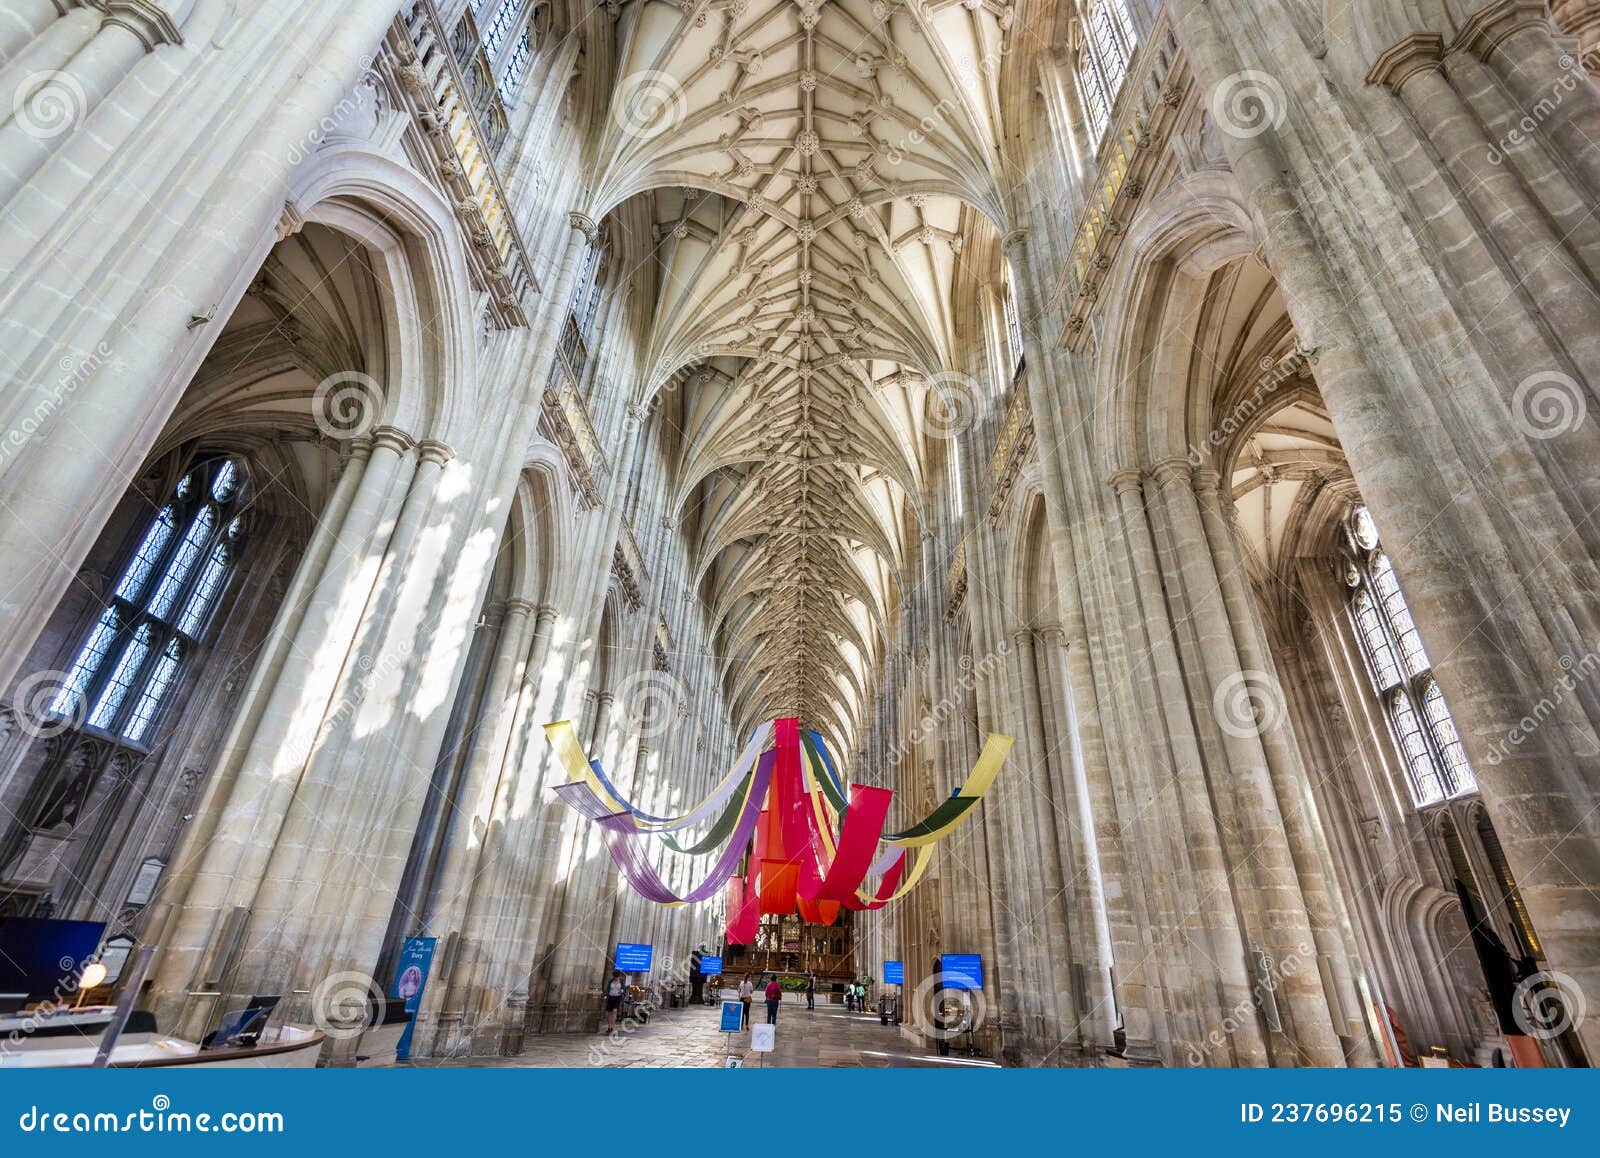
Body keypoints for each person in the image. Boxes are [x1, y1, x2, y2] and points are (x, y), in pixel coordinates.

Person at [603, 970, 626, 1035]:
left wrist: (622, 991)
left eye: (617, 976)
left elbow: (624, 989)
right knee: (608, 1013)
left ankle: (613, 1027)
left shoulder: (621, 981)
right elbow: (607, 989)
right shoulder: (611, 981)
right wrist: (605, 995)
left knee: (614, 1011)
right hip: (610, 997)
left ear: (619, 976)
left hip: (617, 998)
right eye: (615, 976)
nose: (616, 978)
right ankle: (609, 1026)